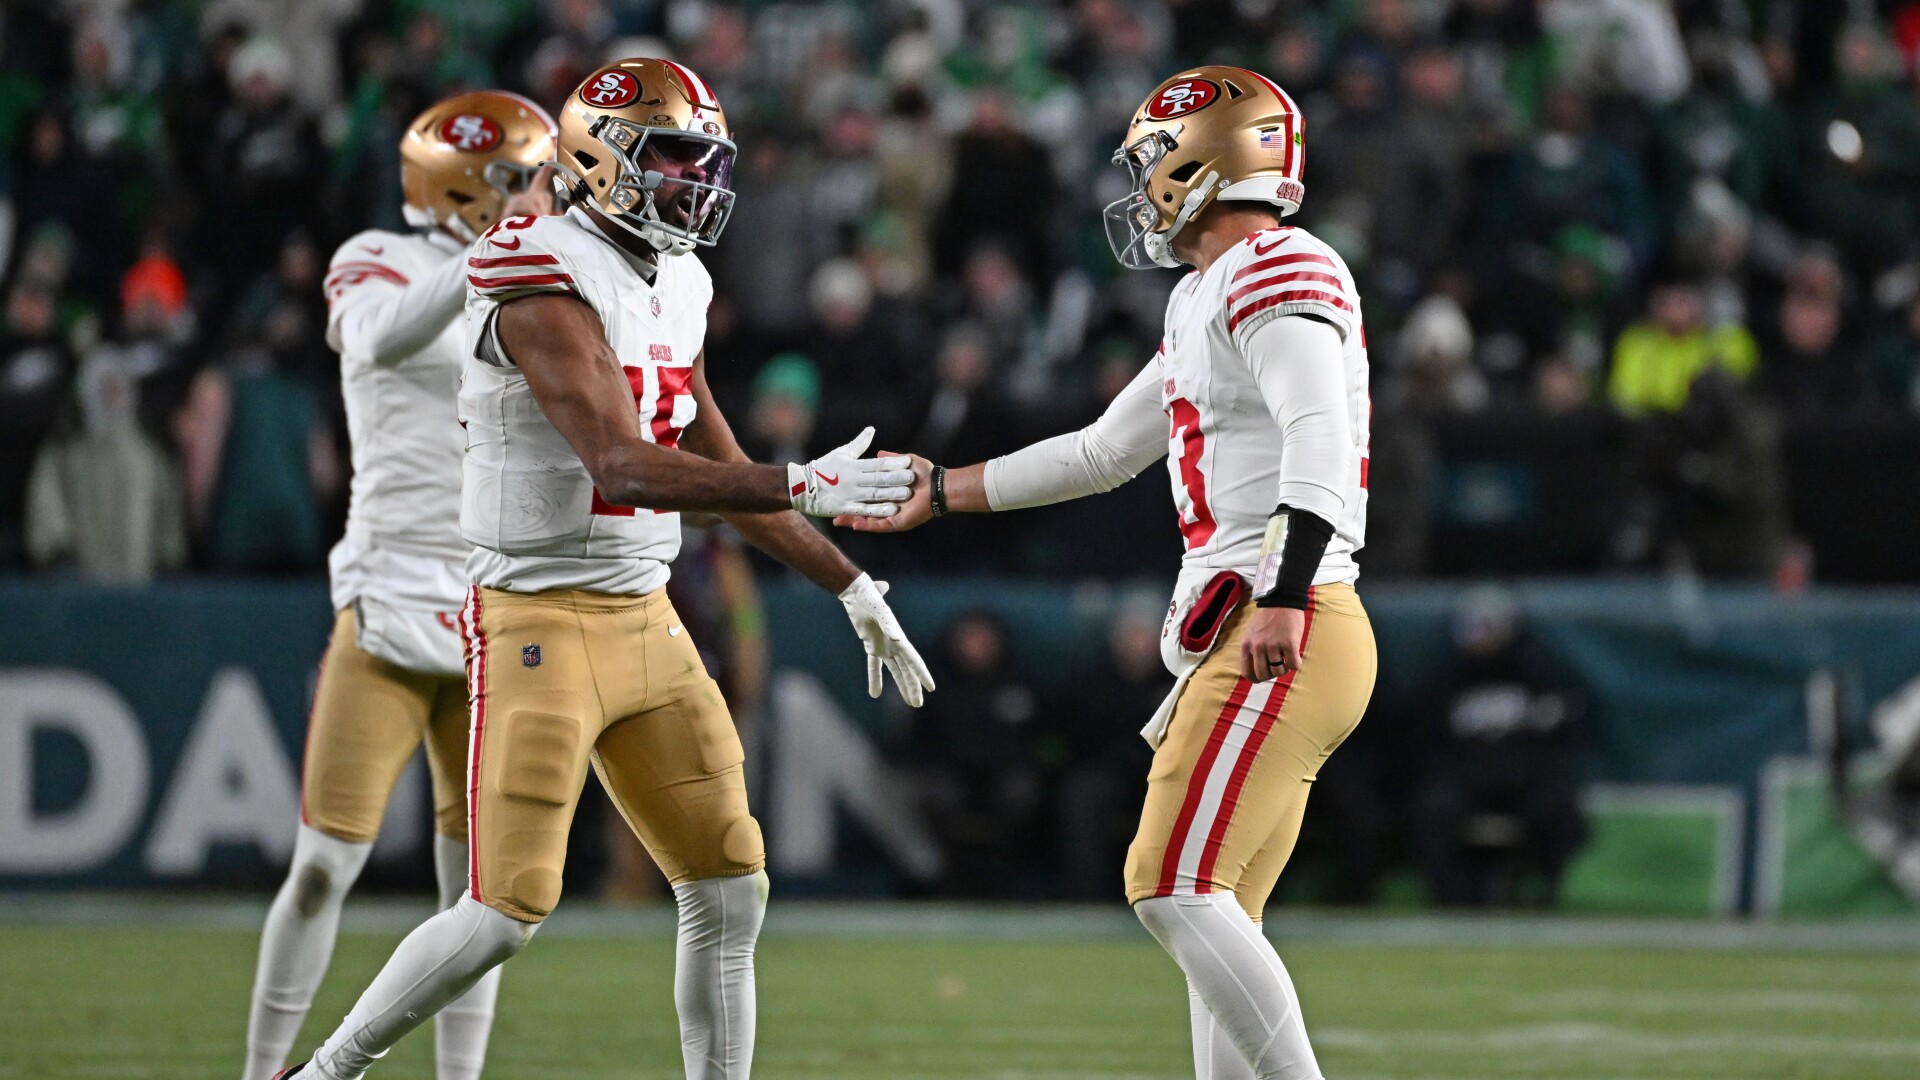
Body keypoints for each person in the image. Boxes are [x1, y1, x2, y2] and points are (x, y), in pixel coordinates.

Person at [276, 58, 932, 1080]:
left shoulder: (682, 277)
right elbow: (624, 465)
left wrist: (851, 585)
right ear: (597, 156)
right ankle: (324, 1072)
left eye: (701, 159)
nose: (692, 180)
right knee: (502, 912)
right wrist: (803, 483)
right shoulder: (534, 265)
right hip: (537, 618)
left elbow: (716, 463)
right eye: (669, 156)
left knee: (728, 888)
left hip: (645, 613)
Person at [844, 66, 1376, 1080]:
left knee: (1169, 882)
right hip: (1257, 622)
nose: (1144, 190)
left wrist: (1284, 589)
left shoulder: (1275, 264)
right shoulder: (1205, 292)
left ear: (1205, 163)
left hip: (1285, 617)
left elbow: (1319, 429)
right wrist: (946, 487)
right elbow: (1099, 451)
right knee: (1217, 913)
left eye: (1154, 166)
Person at [240, 90, 560, 1080]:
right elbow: (376, 336)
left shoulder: (540, 271)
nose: (542, 196)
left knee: (480, 888)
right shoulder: (377, 253)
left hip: (495, 596)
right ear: (469, 181)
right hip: (388, 589)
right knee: (324, 863)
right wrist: (496, 251)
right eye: (522, 177)